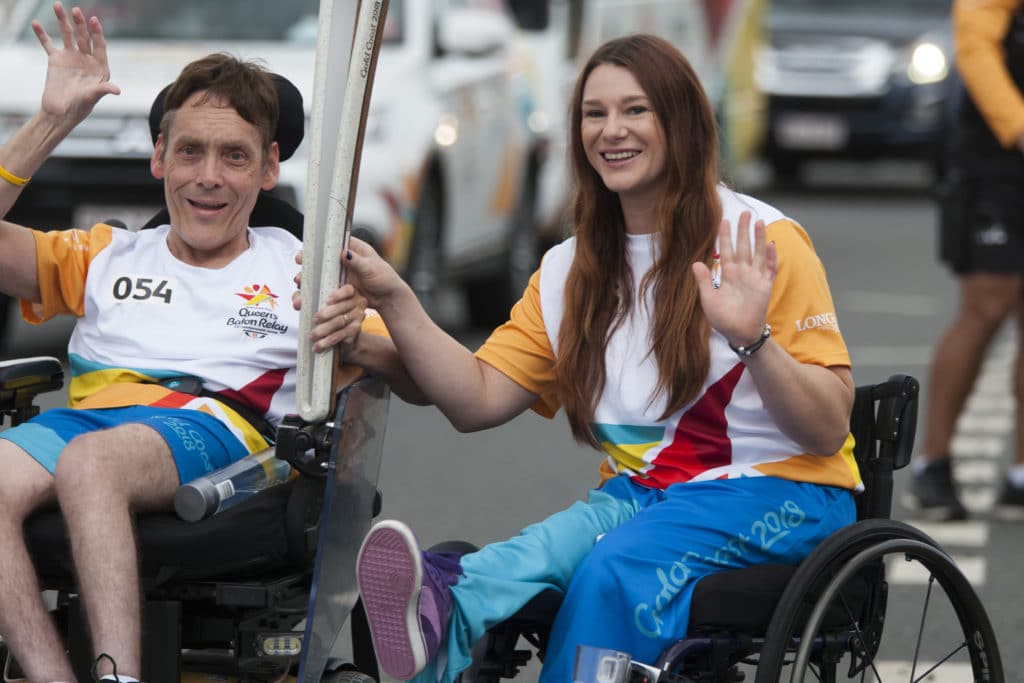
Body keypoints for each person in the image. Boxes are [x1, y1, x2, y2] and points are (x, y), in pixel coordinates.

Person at [340, 33, 859, 683]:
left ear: (682, 122)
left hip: (781, 492)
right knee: (538, 552)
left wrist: (753, 340)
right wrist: (392, 298)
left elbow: (829, 425)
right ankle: (442, 603)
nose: (612, 130)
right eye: (594, 113)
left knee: (610, 566)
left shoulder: (760, 240)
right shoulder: (569, 269)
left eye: (635, 110)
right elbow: (475, 397)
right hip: (644, 495)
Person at [0, 3, 376, 681]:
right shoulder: (107, 254)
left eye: (233, 155)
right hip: (89, 420)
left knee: (90, 462)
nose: (208, 175)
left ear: (268, 169)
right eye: (190, 151)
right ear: (158, 159)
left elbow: (404, 371)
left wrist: (368, 327)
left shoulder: (302, 266)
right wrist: (52, 121)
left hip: (212, 424)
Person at [909, 0, 1024, 522]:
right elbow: (976, 48)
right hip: (995, 164)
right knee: (987, 307)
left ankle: (1021, 475)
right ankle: (933, 464)